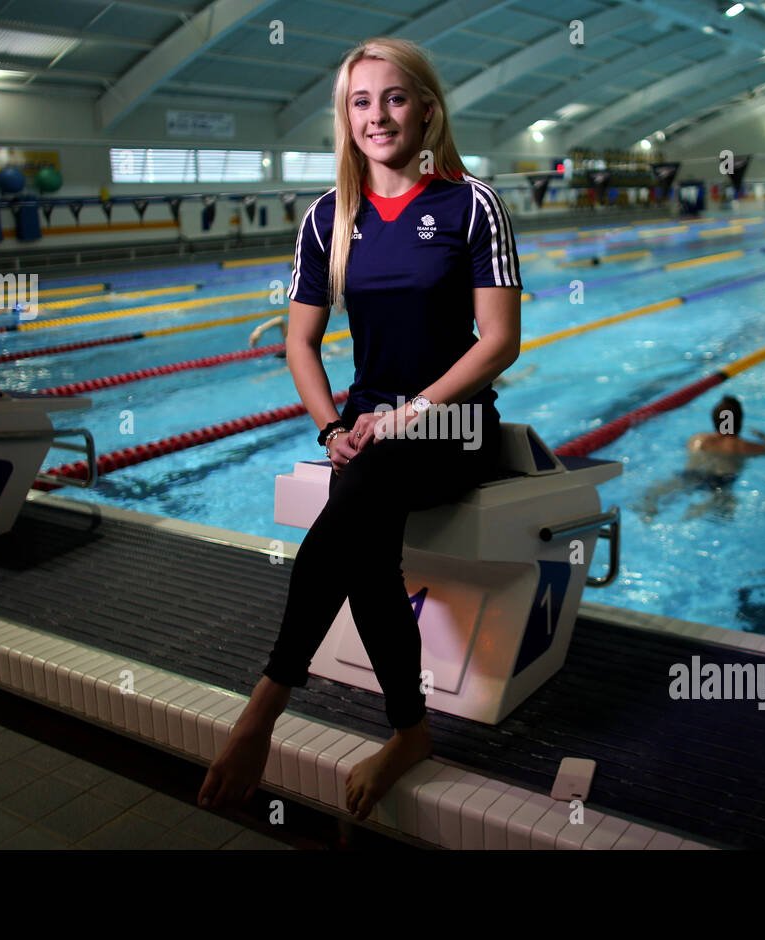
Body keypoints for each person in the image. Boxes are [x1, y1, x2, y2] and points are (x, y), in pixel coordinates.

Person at [198, 37, 522, 822]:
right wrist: (330, 427)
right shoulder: (328, 217)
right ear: (345, 118)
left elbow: (499, 341)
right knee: (365, 543)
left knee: (359, 504)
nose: (378, 116)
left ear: (428, 109)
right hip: (370, 433)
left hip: (453, 427)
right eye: (361, 101)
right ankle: (409, 734)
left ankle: (263, 708)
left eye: (395, 98)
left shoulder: (470, 205)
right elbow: (299, 342)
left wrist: (410, 414)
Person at [639, 395, 765, 522]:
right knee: (725, 512)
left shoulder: (697, 439)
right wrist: (764, 437)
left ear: (715, 420)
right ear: (739, 421)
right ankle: (698, 511)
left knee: (653, 493)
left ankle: (649, 512)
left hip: (691, 476)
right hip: (721, 482)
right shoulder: (747, 447)